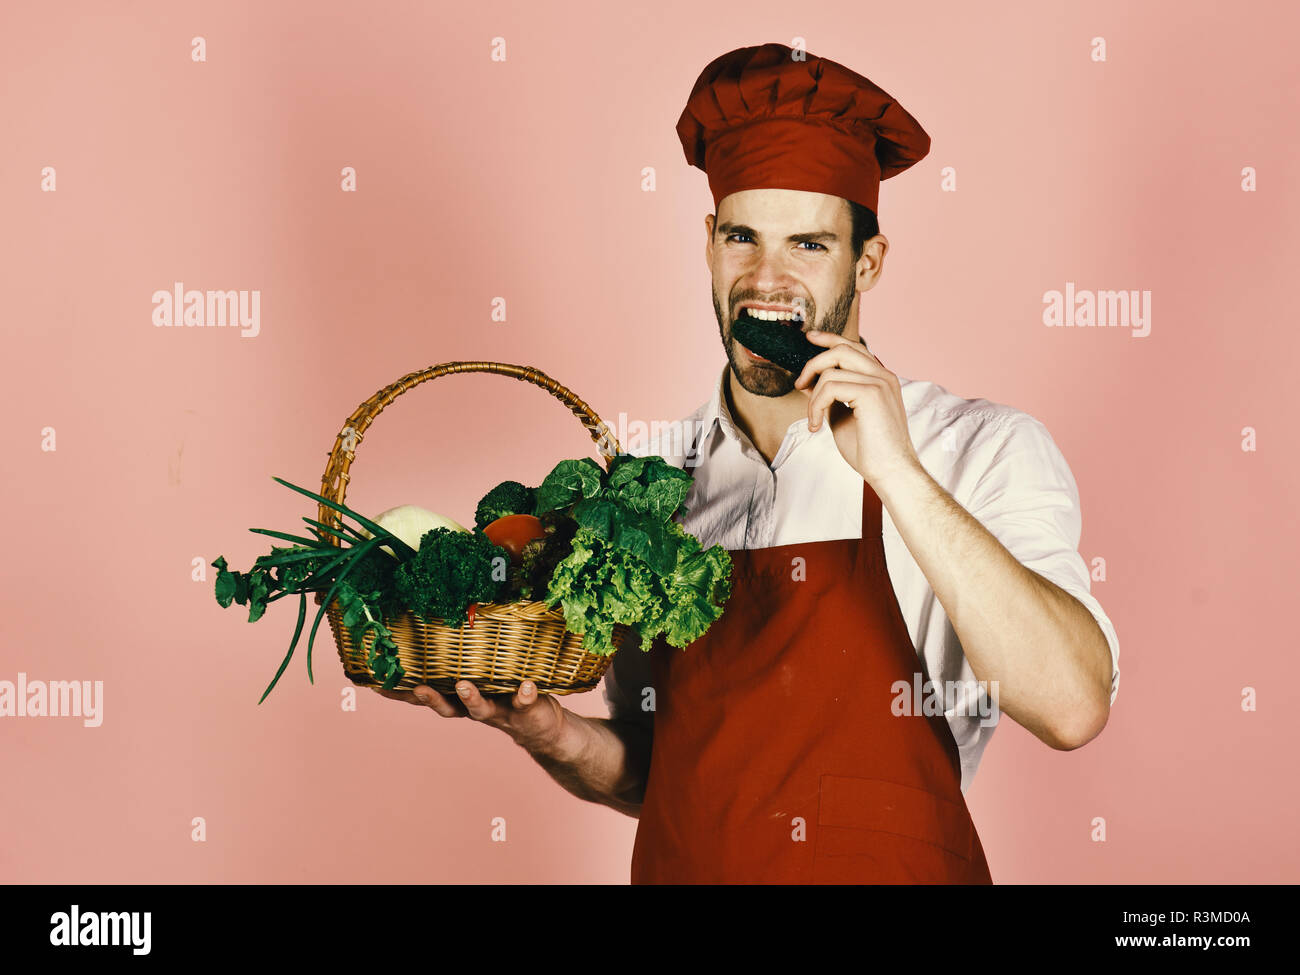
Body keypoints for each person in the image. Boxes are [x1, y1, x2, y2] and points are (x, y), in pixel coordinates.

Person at [375, 42, 1121, 885]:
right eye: (742, 236)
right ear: (708, 241)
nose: (766, 280)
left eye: (808, 244)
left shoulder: (978, 447)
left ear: (866, 262)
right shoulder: (649, 481)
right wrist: (552, 734)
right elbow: (672, 773)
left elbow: (1071, 706)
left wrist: (899, 474)